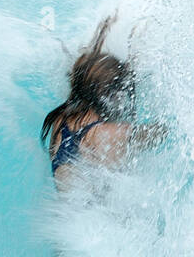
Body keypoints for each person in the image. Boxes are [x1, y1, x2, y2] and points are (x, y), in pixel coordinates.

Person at [41, 14, 165, 188]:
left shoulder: (59, 122)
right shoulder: (110, 133)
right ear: (109, 96)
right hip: (105, 214)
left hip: (70, 212)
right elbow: (160, 134)